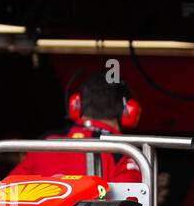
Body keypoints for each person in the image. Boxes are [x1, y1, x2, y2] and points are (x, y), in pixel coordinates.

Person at [10, 72, 141, 183]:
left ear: (75, 105)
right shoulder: (124, 152)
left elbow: (5, 198)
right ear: (129, 112)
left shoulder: (43, 145)